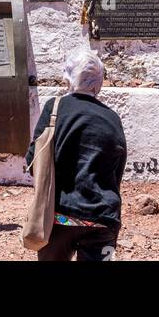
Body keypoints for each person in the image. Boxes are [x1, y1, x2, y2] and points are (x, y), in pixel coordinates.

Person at [25, 47, 127, 262]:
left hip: (59, 216)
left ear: (67, 78)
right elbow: (117, 171)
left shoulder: (55, 108)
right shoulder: (112, 118)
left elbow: (33, 161)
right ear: (99, 83)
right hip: (103, 218)